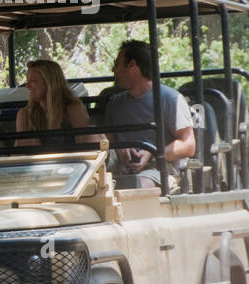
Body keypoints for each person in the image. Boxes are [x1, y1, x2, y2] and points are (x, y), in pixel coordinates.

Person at [103, 40, 196, 188]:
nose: (114, 70)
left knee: (137, 185)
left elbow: (188, 145)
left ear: (132, 65)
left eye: (117, 63)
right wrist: (119, 148)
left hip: (161, 169)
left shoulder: (170, 99)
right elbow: (108, 139)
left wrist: (152, 152)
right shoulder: (115, 102)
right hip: (120, 170)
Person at [15, 59, 103, 147]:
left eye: (33, 81)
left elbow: (85, 146)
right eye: (27, 81)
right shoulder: (25, 114)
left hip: (72, 160)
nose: (27, 86)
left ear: (50, 82)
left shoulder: (73, 109)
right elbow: (18, 152)